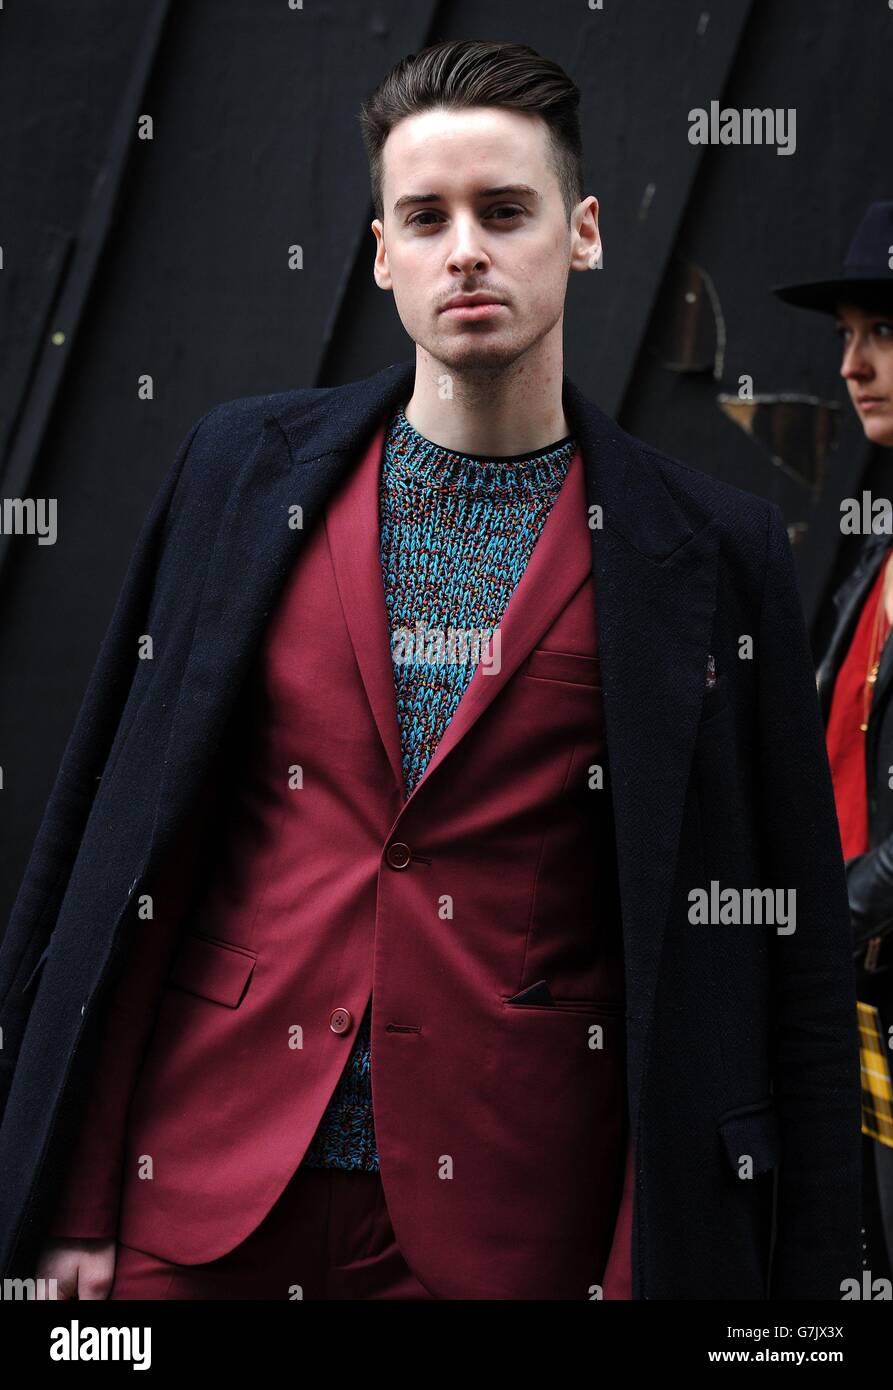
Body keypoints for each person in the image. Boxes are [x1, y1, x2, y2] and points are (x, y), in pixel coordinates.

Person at [0, 39, 860, 1300]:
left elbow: (769, 943)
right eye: (426, 217)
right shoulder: (239, 476)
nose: (465, 248)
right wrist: (70, 1200)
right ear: (381, 253)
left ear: (581, 234)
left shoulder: (704, 551)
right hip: (192, 1198)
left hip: (508, 1233)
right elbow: (122, 846)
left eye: (503, 212)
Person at [773, 199, 893, 1284]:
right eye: (847, 335)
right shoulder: (879, 552)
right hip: (854, 1009)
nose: (852, 365)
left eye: (883, 332)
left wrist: (824, 914)